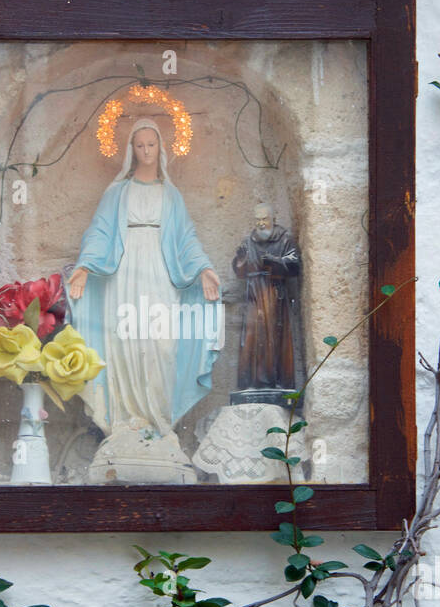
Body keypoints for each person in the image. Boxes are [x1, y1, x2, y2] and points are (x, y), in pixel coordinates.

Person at [66, 118, 221, 437]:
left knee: (162, 344)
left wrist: (204, 268)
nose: (147, 150)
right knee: (124, 340)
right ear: (131, 151)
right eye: (140, 145)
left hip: (161, 272)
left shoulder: (171, 195)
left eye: (152, 144)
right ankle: (124, 421)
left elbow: (186, 239)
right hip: (122, 273)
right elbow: (100, 231)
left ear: (161, 148)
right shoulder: (117, 192)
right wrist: (85, 266)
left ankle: (158, 421)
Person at [232, 201, 301, 398]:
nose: (261, 223)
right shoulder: (249, 241)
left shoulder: (284, 238)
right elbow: (239, 270)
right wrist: (240, 259)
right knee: (252, 338)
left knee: (274, 337)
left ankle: (276, 381)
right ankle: (251, 383)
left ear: (273, 219)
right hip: (253, 294)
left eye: (264, 219)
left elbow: (295, 264)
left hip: (274, 293)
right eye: (258, 220)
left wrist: (275, 263)